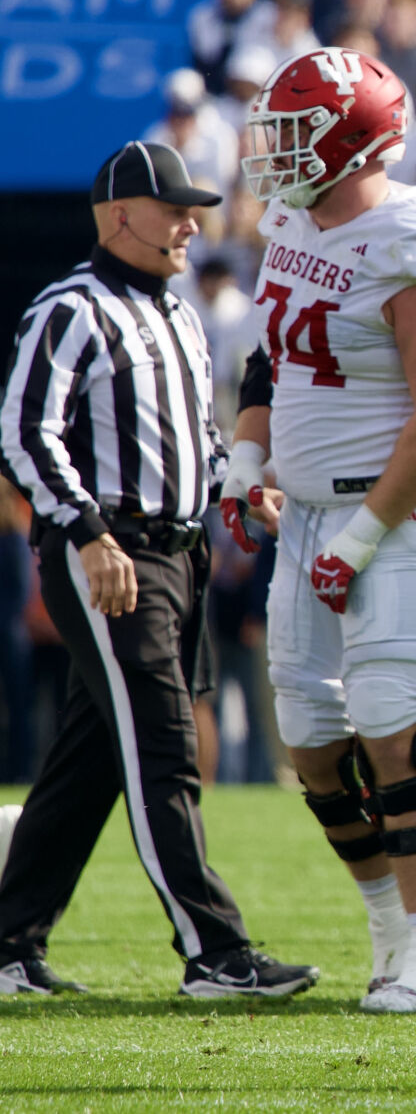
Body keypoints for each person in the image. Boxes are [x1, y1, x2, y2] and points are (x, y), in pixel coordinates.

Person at [0, 141, 316, 997]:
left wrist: (237, 490)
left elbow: (193, 442)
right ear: (117, 216)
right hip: (112, 553)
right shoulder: (69, 308)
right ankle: (214, 951)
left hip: (179, 553)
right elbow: (24, 433)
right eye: (173, 209)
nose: (190, 225)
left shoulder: (177, 313)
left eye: (192, 211)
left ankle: (8, 944)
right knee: (165, 743)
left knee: (95, 755)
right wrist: (87, 533)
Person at [226, 47, 416, 1014]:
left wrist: (361, 538)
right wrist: (247, 461)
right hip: (308, 513)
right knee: (309, 740)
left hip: (402, 514)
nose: (274, 150)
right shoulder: (293, 220)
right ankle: (389, 931)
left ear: (352, 138)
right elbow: (274, 361)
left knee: (393, 728)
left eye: (294, 132)